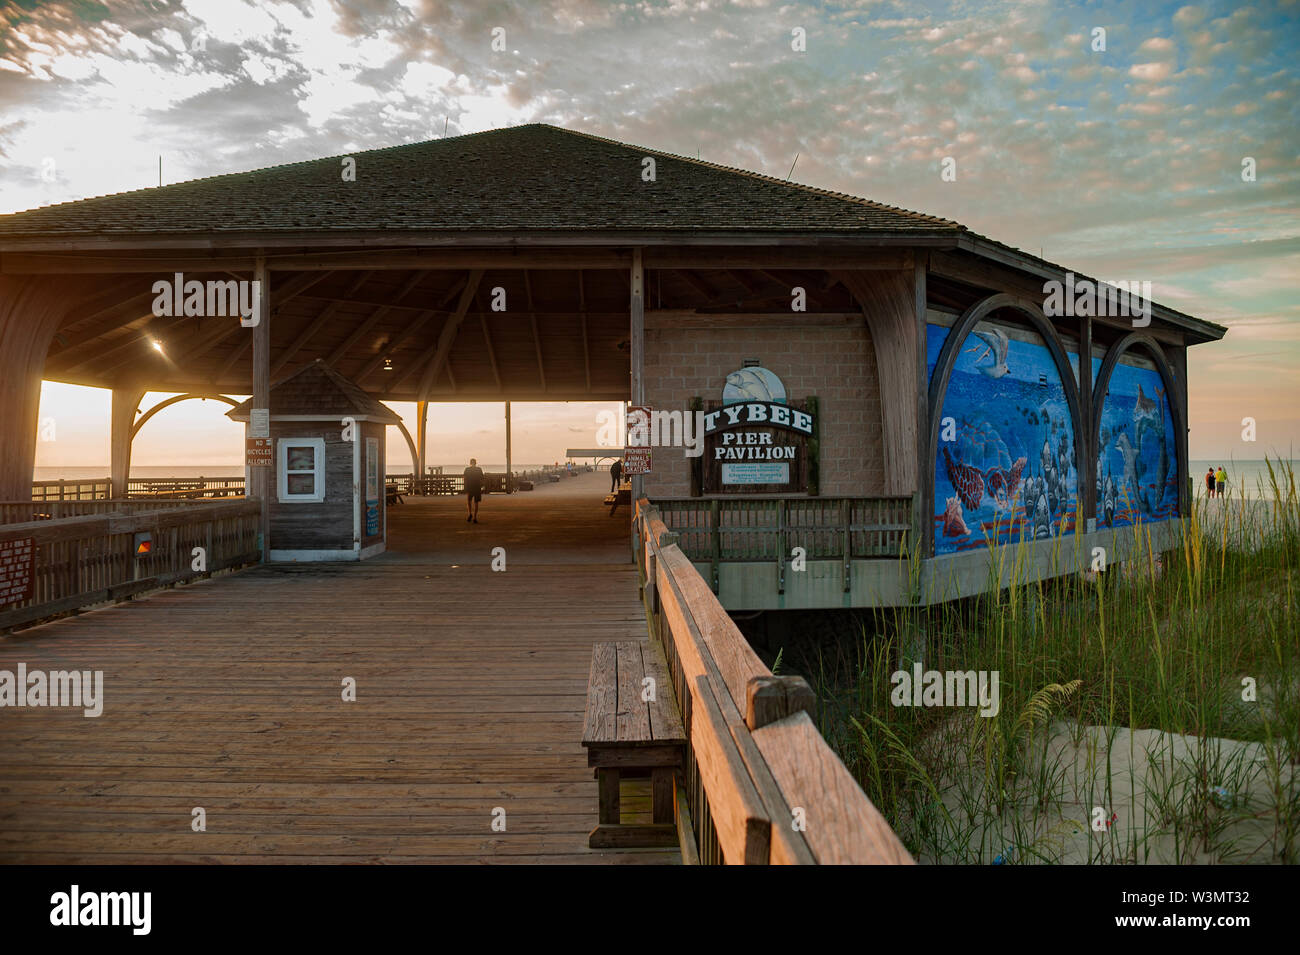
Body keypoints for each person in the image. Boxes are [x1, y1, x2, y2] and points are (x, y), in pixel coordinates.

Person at [464, 458, 484, 523]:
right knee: (476, 503)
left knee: (469, 501)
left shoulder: (467, 469)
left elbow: (465, 479)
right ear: (475, 463)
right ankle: (475, 517)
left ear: (470, 463)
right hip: (477, 488)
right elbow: (482, 478)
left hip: (470, 488)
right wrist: (482, 486)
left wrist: (466, 488)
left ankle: (470, 513)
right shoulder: (479, 469)